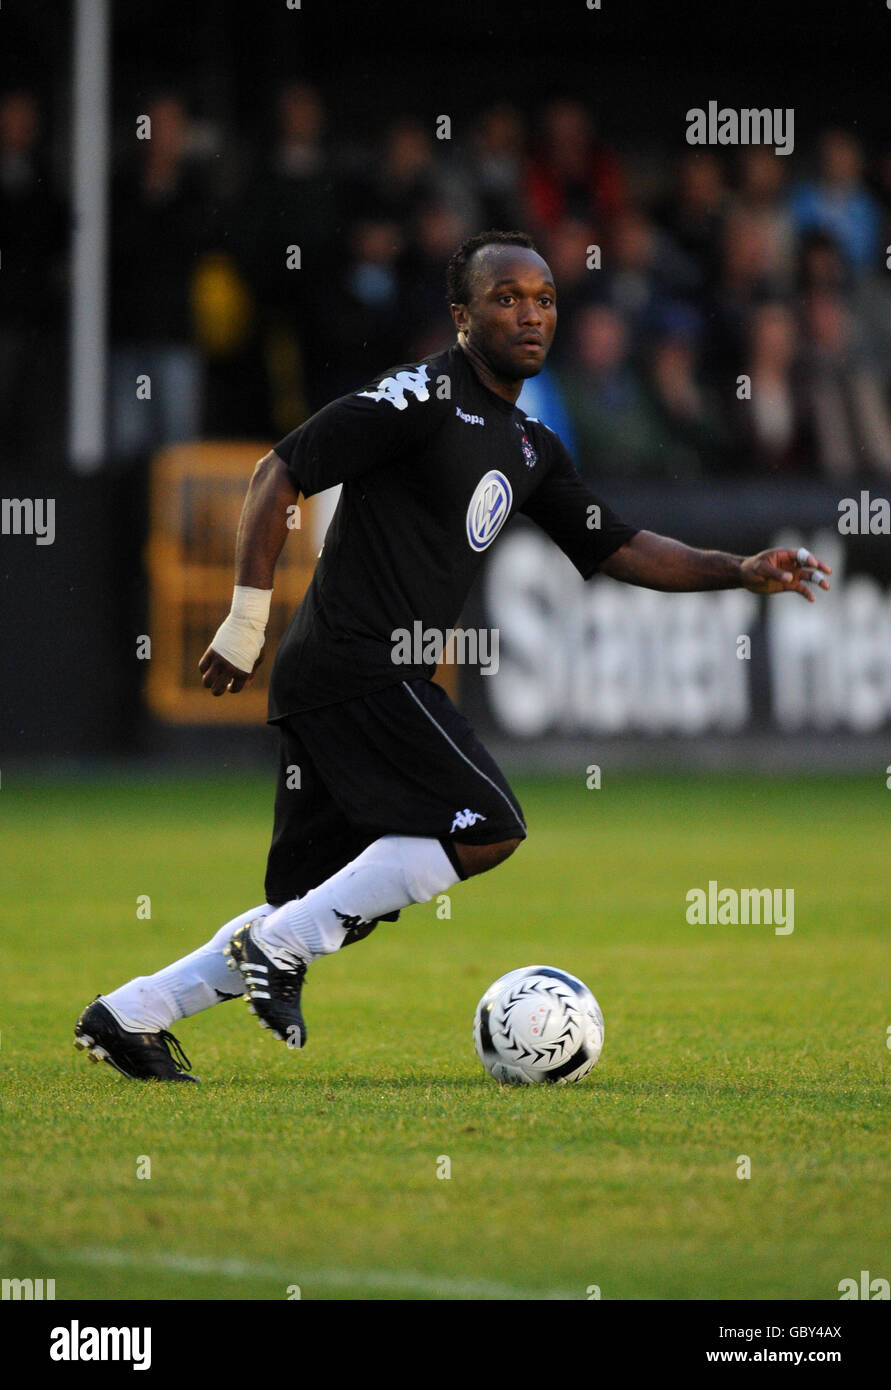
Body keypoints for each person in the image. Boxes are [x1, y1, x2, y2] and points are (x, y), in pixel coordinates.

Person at [74, 230, 831, 1082]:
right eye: (506, 297)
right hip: (355, 664)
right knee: (487, 826)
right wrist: (246, 621)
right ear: (461, 314)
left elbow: (618, 547)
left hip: (354, 676)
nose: (530, 313)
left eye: (543, 298)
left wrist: (738, 569)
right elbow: (277, 472)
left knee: (312, 904)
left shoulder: (529, 445)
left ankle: (130, 1013)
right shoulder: (421, 396)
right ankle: (278, 948)